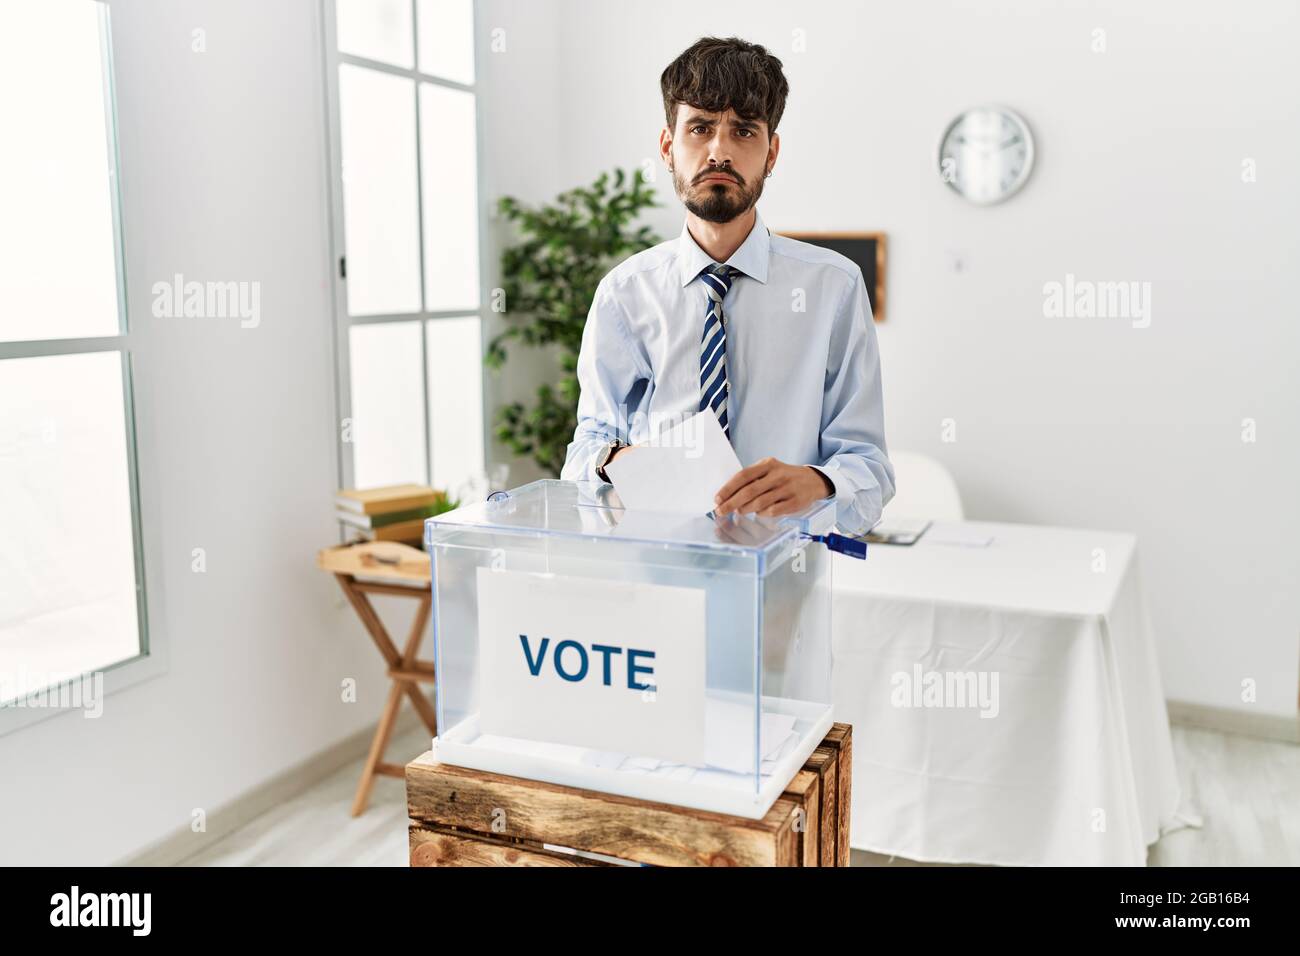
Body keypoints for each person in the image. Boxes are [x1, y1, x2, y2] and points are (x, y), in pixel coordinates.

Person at [559, 36, 894, 535]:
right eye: (700, 128)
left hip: (786, 575)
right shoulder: (624, 294)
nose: (720, 151)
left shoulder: (834, 287)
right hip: (659, 568)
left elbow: (870, 468)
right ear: (669, 148)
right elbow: (584, 453)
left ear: (771, 152)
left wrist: (820, 482)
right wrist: (617, 460)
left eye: (743, 131)